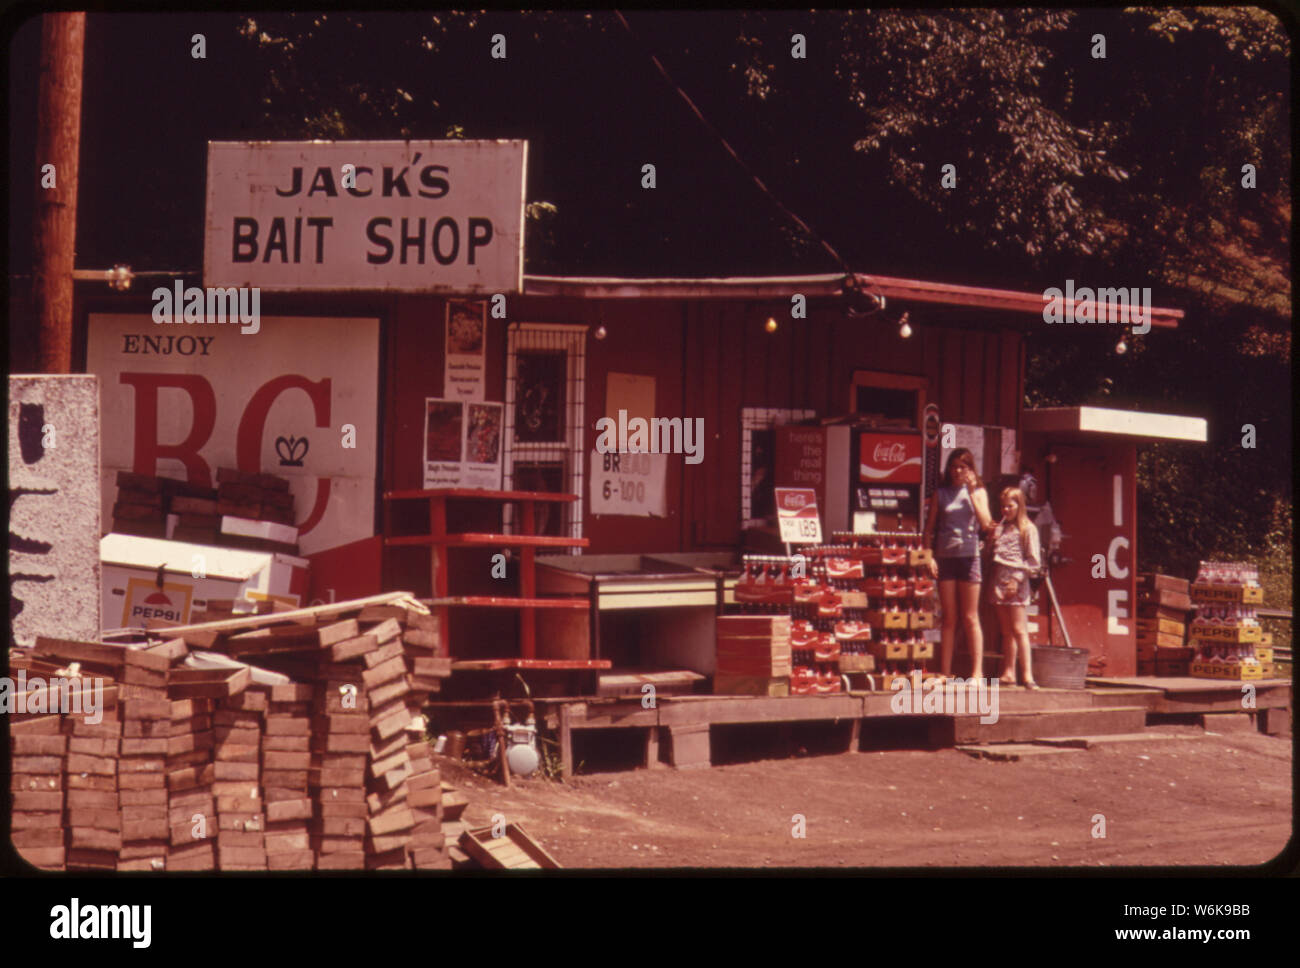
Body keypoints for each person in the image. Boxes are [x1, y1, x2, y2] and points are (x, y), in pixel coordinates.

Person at [925, 449, 994, 677]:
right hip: (945, 557)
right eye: (954, 466)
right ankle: (945, 672)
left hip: (969, 556)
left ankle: (977, 674)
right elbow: (929, 528)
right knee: (949, 618)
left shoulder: (979, 492)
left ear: (970, 470)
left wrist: (973, 492)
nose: (957, 471)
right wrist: (928, 555)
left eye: (962, 467)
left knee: (970, 616)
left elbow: (986, 524)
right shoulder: (941, 493)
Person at [988, 486, 1042, 688]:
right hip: (998, 580)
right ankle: (1009, 671)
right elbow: (991, 555)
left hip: (1016, 581)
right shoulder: (1001, 527)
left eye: (1009, 506)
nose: (1005, 510)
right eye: (1002, 506)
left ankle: (1027, 675)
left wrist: (1017, 579)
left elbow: (1034, 562)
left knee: (1020, 629)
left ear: (1019, 506)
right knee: (1006, 631)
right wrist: (990, 538)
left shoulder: (1028, 529)